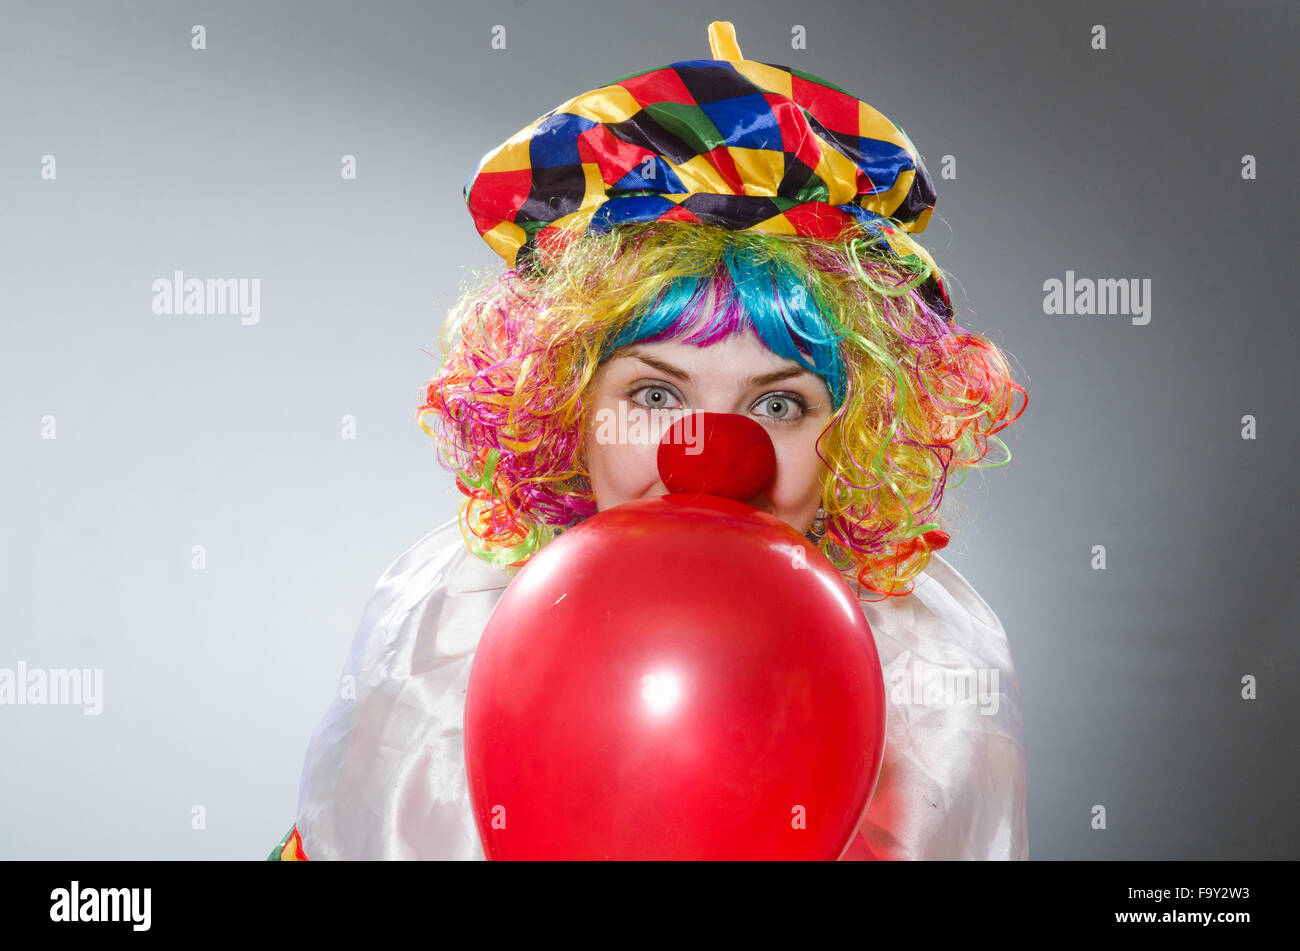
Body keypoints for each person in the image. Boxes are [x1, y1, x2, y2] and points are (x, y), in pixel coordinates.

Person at [270, 21, 1028, 862]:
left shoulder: (931, 672)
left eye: (779, 404)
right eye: (657, 394)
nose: (714, 454)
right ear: (569, 406)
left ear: (856, 434)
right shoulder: (444, 632)